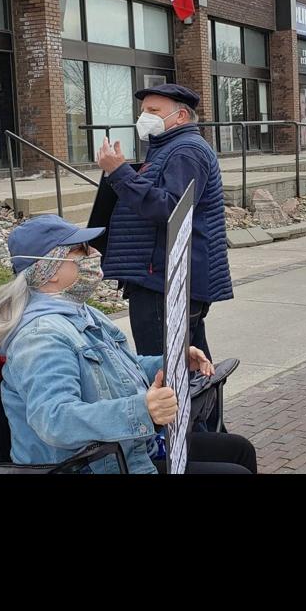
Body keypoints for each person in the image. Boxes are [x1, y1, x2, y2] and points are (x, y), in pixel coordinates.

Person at [0, 215, 259, 475]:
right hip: (87, 465)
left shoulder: (80, 312)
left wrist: (172, 362)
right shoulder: (40, 337)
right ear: (49, 270)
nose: (93, 253)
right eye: (80, 249)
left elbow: (117, 368)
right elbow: (54, 420)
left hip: (126, 450)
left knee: (238, 450)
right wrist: (143, 410)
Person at [95, 81, 233, 430]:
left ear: (180, 115)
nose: (145, 118)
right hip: (164, 277)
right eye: (143, 111)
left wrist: (120, 172)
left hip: (166, 281)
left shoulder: (185, 151)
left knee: (170, 371)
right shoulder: (169, 149)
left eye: (153, 111)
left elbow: (171, 208)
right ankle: (208, 439)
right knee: (193, 366)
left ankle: (191, 443)